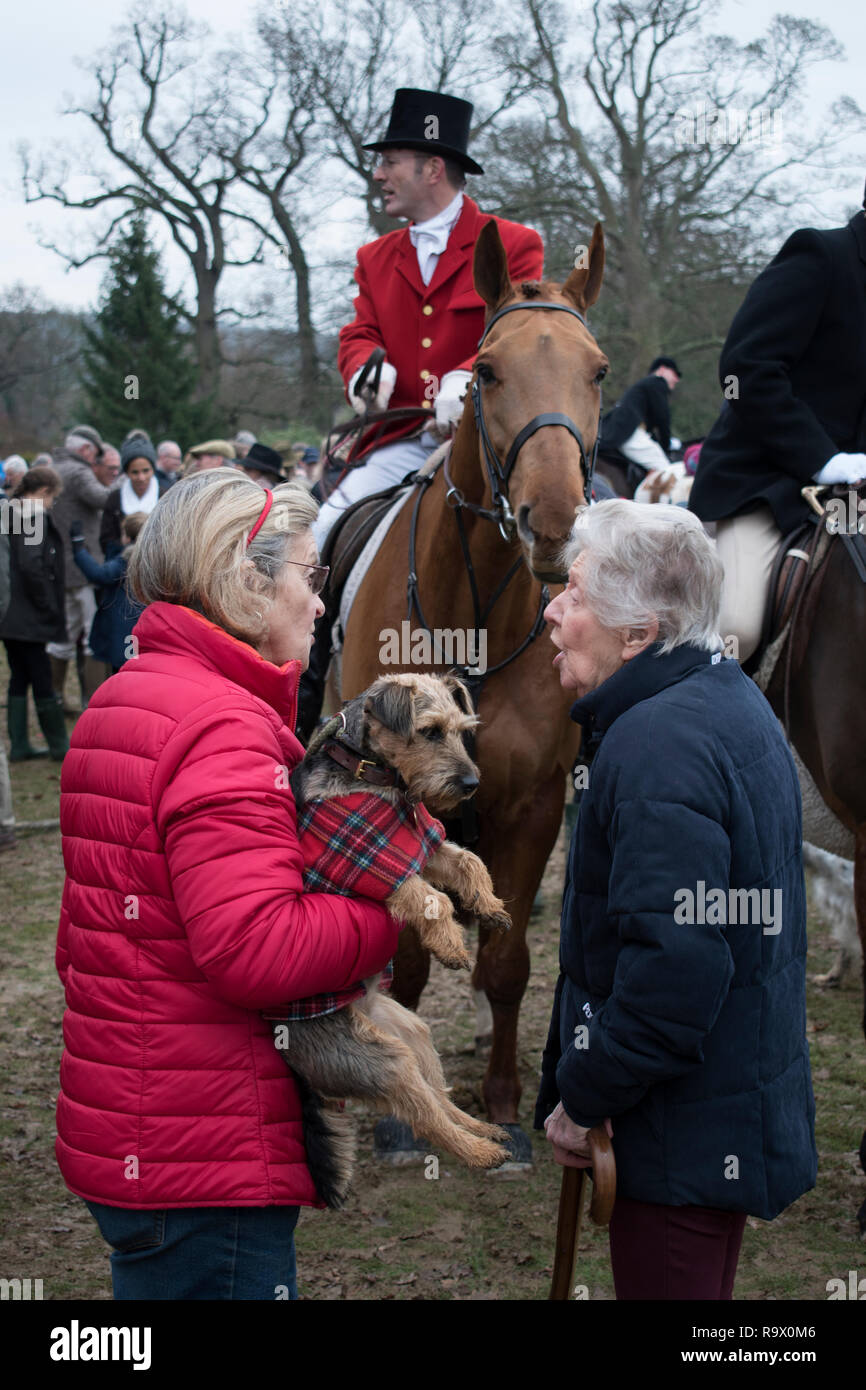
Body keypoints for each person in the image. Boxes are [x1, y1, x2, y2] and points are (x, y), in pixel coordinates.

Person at [55, 468, 400, 1301]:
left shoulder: (126, 695)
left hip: (145, 1118)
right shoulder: (222, 725)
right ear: (246, 583)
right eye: (309, 578)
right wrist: (388, 911)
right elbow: (255, 950)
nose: (321, 603)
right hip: (205, 1147)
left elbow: (95, 936)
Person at [536, 500, 816, 1301]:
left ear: (639, 634)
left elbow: (674, 976)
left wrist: (581, 1096)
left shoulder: (659, 743)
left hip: (674, 1132)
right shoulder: (722, 695)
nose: (553, 610)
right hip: (712, 1113)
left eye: (577, 596)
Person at [297, 87, 544, 741]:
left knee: (567, 538)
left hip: (493, 449)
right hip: (406, 442)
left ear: (432, 166)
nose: (379, 173)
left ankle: (587, 714)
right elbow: (359, 332)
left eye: (392, 160)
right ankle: (304, 707)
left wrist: (469, 379)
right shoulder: (376, 258)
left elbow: (518, 325)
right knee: (316, 540)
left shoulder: (514, 244)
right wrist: (362, 367)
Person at [690, 189, 866, 663]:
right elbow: (744, 369)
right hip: (772, 484)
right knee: (736, 627)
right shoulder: (821, 255)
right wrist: (824, 460)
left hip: (860, 494)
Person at [0, 466, 69, 761]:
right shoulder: (32, 515)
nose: (52, 504)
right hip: (27, 613)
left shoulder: (8, 510)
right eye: (52, 498)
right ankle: (58, 744)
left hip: (8, 612)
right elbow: (31, 564)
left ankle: (19, 744)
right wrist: (47, 604)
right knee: (39, 673)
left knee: (19, 675)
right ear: (43, 492)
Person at [45, 425, 112, 714]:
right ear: (86, 450)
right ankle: (94, 703)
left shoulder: (52, 469)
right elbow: (106, 500)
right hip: (84, 567)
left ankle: (54, 698)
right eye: (95, 455)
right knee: (91, 637)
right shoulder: (79, 472)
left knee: (62, 635)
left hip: (58, 567)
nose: (95, 461)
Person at [71, 511, 147, 673]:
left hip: (122, 628)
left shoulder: (125, 560)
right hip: (142, 628)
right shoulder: (152, 559)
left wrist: (79, 549)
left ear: (126, 536)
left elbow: (99, 574)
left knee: (122, 670)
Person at [599, 356, 681, 488]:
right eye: (675, 374)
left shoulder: (644, 387)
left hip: (616, 430)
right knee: (665, 470)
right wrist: (666, 445)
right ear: (662, 369)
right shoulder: (657, 382)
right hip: (628, 434)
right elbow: (663, 418)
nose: (677, 379)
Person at [99, 438, 169, 554]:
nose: (141, 478)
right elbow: (106, 541)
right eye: (135, 472)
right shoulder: (115, 499)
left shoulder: (165, 497)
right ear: (126, 472)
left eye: (146, 471)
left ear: (153, 470)